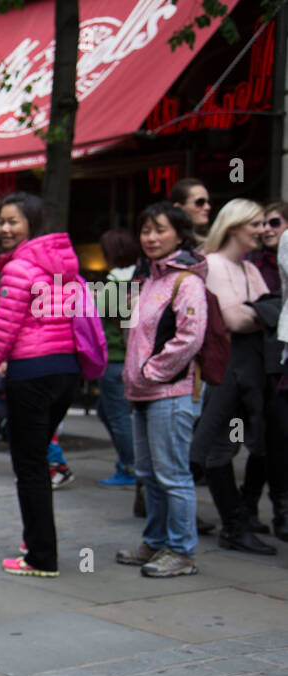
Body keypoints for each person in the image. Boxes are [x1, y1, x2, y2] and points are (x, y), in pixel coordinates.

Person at [0, 192, 86, 576]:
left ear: (31, 225)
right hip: (65, 372)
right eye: (1, 222)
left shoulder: (19, 268)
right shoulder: (61, 264)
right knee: (38, 460)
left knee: (30, 465)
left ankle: (41, 556)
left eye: (13, 221)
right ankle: (36, 539)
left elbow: (2, 332)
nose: (4, 229)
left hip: (32, 373)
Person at [116, 203, 209, 576]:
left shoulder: (187, 281)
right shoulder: (147, 279)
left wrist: (152, 372)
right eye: (145, 231)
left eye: (160, 230)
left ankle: (181, 551)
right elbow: (131, 332)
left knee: (172, 475)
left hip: (171, 392)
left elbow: (190, 337)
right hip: (141, 392)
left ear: (180, 234)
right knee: (149, 475)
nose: (151, 238)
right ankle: (155, 543)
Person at [190, 199, 274, 554]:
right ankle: (234, 524)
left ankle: (237, 522)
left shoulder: (250, 270)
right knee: (214, 449)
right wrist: (263, 312)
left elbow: (268, 312)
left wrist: (258, 312)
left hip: (251, 372)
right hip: (223, 371)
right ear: (235, 226)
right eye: (255, 224)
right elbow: (236, 321)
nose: (262, 231)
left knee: (240, 445)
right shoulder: (211, 265)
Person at [241, 199, 288, 536]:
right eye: (263, 224)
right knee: (264, 437)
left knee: (276, 438)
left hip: (279, 361)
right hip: (259, 364)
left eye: (274, 223)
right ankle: (251, 507)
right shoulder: (251, 264)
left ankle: (277, 510)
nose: (267, 230)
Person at [95, 227, 140, 488]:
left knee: (118, 415)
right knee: (108, 410)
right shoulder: (139, 280)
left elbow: (96, 317)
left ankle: (130, 465)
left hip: (113, 358)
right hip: (128, 357)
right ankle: (129, 461)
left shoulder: (112, 285)